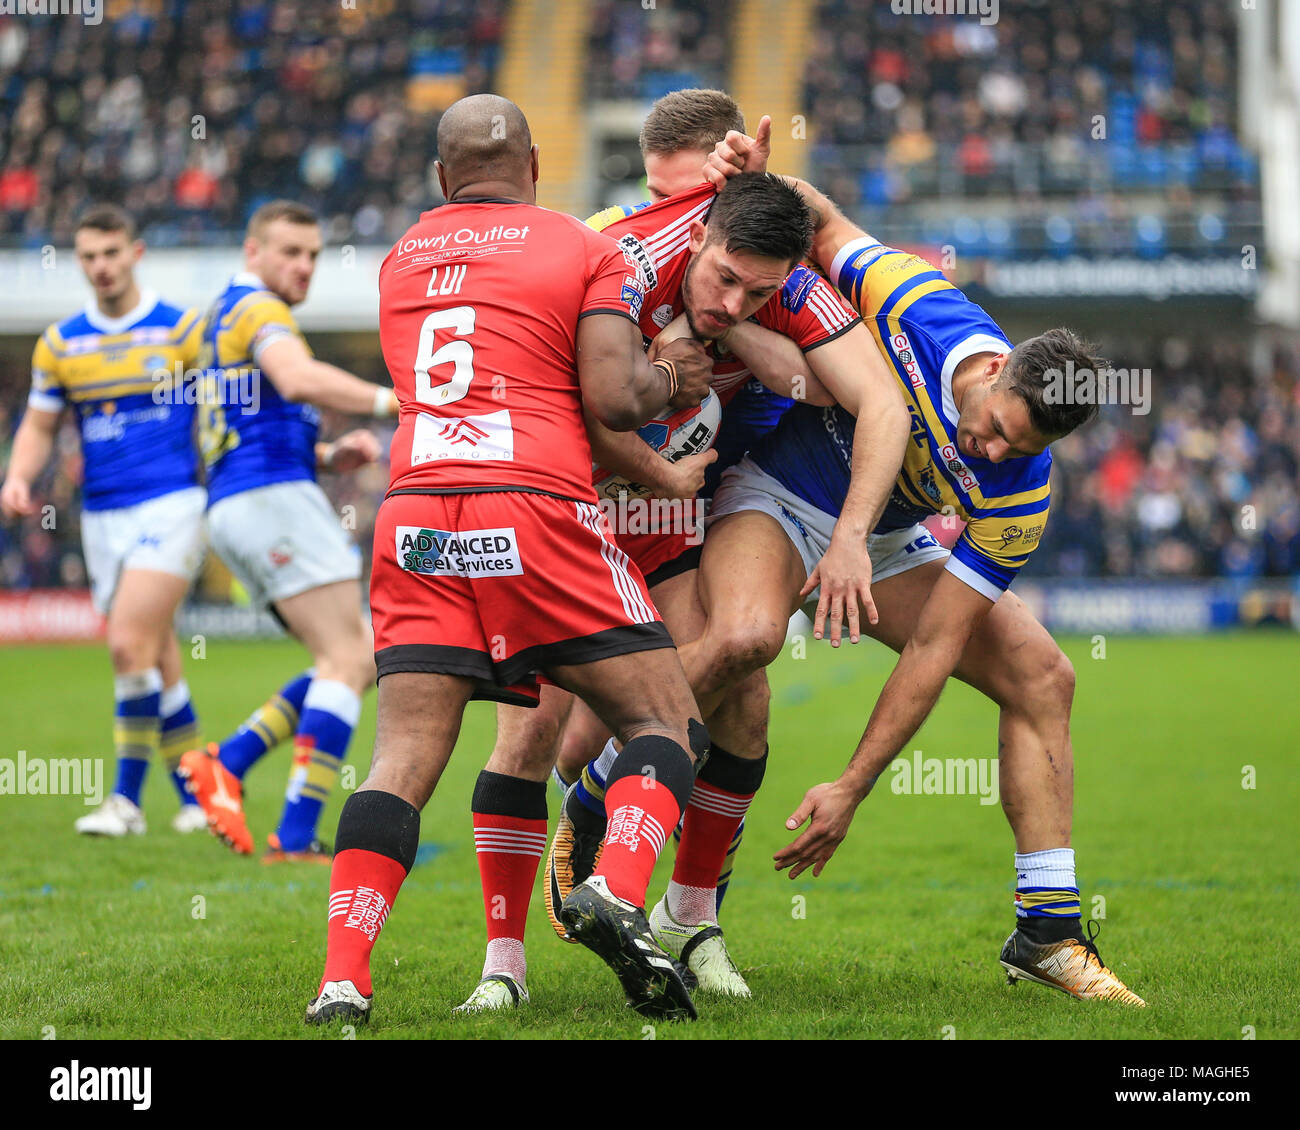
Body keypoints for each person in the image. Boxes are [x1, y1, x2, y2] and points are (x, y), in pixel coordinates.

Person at [691, 124, 1146, 1005]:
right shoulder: (919, 303)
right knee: (745, 641)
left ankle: (1047, 933)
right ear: (1001, 365)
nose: (988, 446)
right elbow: (820, 223)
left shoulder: (1020, 491)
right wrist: (760, 176)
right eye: (994, 423)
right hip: (783, 491)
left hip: (889, 540)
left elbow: (935, 647)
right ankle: (604, 789)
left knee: (1045, 677)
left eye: (1017, 447)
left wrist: (852, 787)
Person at [305, 94, 717, 1026]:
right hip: (534, 507)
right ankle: (614, 887)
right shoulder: (580, 244)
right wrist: (672, 377)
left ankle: (343, 978)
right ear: (535, 166)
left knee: (402, 756)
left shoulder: (401, 259)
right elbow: (612, 399)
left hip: (415, 517)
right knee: (668, 721)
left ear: (441, 178)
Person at [178, 200, 393, 862]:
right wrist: (397, 400)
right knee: (353, 658)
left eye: (313, 256)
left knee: (352, 655)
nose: (303, 266)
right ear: (253, 252)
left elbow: (229, 429)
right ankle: (290, 829)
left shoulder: (211, 321)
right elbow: (297, 377)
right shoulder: (260, 311)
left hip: (244, 500)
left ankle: (228, 764)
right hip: (270, 500)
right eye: (290, 252)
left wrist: (329, 458)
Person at [1, 204, 207, 838]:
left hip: (173, 503)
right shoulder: (61, 343)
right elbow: (39, 426)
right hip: (103, 517)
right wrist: (17, 476)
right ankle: (200, 795)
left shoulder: (182, 331)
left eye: (112, 253)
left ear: (135, 253)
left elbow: (222, 408)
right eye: (89, 256)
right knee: (156, 651)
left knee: (124, 644)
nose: (102, 267)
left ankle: (125, 801)